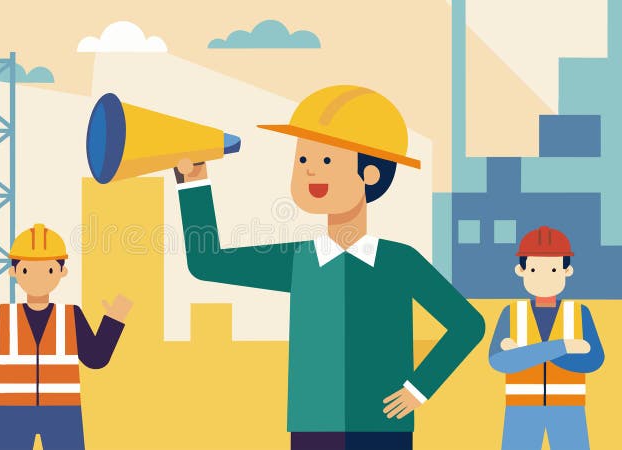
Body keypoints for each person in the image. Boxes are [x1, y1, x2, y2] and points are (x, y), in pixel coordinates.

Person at [174, 85, 485, 450]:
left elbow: (468, 324)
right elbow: (208, 263)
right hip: (311, 426)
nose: (309, 173)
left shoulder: (399, 262)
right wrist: (193, 183)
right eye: (303, 161)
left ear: (369, 174)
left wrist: (419, 388)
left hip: (382, 427)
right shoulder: (299, 260)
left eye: (325, 161)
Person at [0, 223, 132, 450]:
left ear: (61, 272)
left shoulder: (71, 316)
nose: (38, 278)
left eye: (48, 270)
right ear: (14, 272)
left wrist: (113, 320)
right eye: (27, 270)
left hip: (63, 412)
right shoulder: (5, 316)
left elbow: (96, 358)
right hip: (14, 411)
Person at [489, 226, 604, 450]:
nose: (543, 278)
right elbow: (499, 361)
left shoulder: (580, 313)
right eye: (534, 270)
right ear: (520, 270)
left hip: (569, 409)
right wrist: (564, 346)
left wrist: (526, 353)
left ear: (566, 271)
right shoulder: (511, 313)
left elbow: (594, 360)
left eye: (552, 270)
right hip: (520, 410)